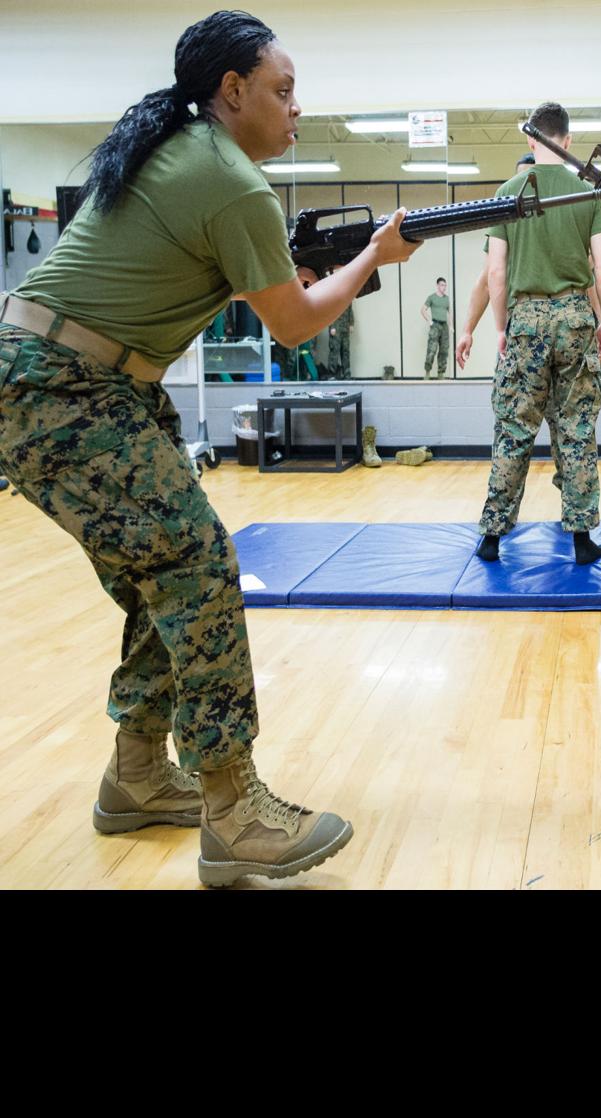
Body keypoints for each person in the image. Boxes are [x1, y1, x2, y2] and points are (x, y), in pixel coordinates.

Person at [0, 9, 419, 886]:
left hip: (90, 380)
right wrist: (376, 255)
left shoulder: (191, 151)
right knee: (195, 566)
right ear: (231, 92)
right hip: (58, 386)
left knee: (168, 575)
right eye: (283, 89)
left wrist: (315, 269)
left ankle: (140, 776)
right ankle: (233, 812)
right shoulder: (228, 177)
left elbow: (242, 284)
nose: (296, 108)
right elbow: (297, 324)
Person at [467, 101, 601, 565]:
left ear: (531, 140)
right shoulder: (586, 193)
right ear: (568, 142)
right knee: (576, 430)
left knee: (514, 428)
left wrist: (501, 327)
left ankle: (492, 535)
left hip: (526, 320)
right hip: (575, 318)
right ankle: (581, 539)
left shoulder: (507, 192)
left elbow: (495, 272)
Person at [421, 276, 451, 378]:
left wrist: (450, 326)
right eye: (442, 285)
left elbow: (449, 314)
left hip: (444, 327)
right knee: (431, 350)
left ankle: (441, 373)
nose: (444, 287)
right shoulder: (432, 297)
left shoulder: (447, 299)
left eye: (445, 285)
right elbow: (423, 310)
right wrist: (430, 321)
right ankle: (427, 373)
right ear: (438, 286)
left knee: (444, 351)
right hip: (435, 325)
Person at [327, 297, 353, 378]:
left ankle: (347, 374)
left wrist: (351, 324)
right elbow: (330, 312)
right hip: (336, 328)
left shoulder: (348, 295)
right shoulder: (333, 296)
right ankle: (332, 374)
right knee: (334, 351)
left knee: (345, 351)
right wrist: (331, 326)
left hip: (345, 327)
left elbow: (350, 310)